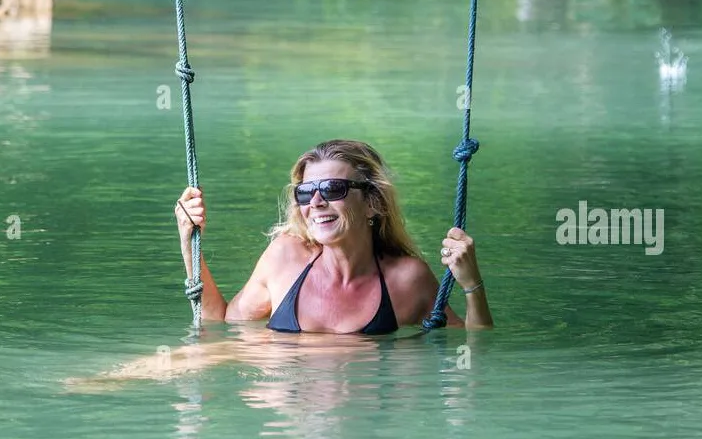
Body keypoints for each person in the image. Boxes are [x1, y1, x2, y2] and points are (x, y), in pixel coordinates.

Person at [174, 139, 493, 333]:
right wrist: (189, 241)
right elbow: (218, 324)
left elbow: (472, 349)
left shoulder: (407, 280)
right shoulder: (284, 257)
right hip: (294, 419)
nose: (315, 202)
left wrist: (471, 284)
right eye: (305, 192)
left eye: (332, 189)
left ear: (372, 203)